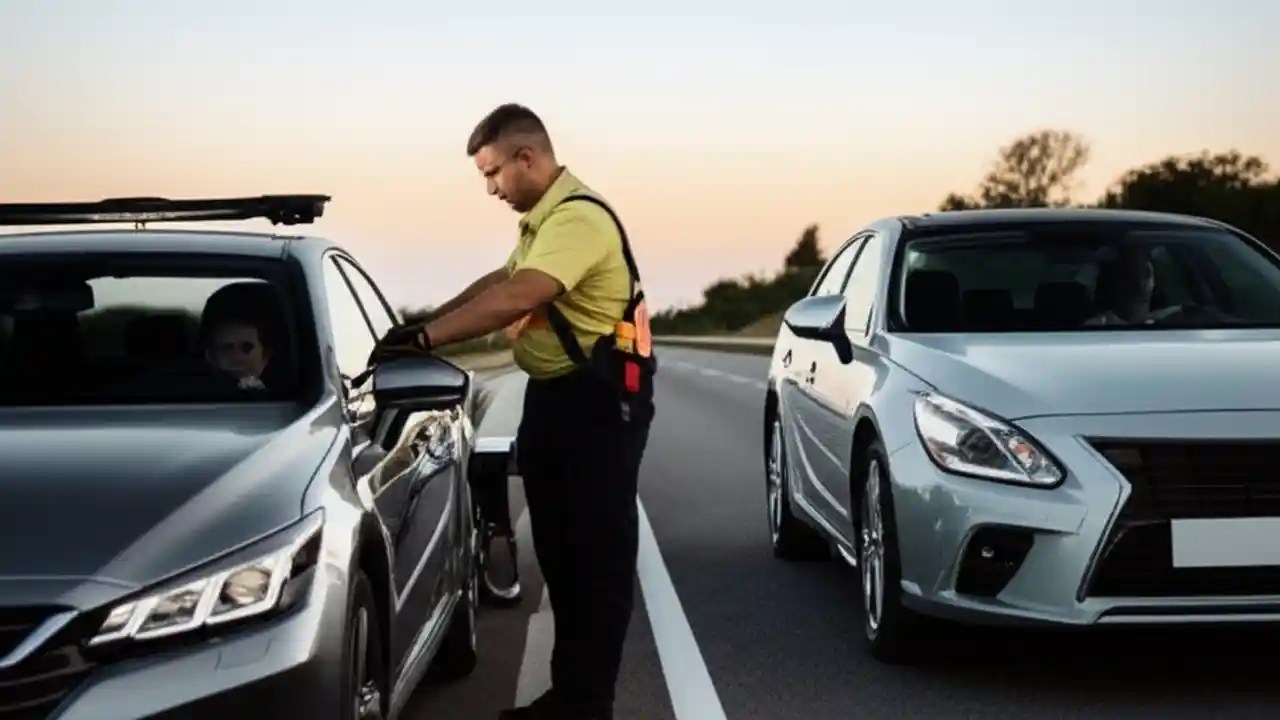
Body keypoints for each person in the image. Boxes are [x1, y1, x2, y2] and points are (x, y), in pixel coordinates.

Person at [372, 103, 655, 720]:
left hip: (603, 401)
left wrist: (428, 342)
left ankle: (589, 709)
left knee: (594, 560)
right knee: (557, 551)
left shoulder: (577, 219)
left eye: (494, 172)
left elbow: (522, 295)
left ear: (528, 157)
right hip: (559, 396)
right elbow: (502, 280)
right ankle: (569, 698)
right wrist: (422, 325)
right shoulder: (543, 221)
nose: (491, 188)